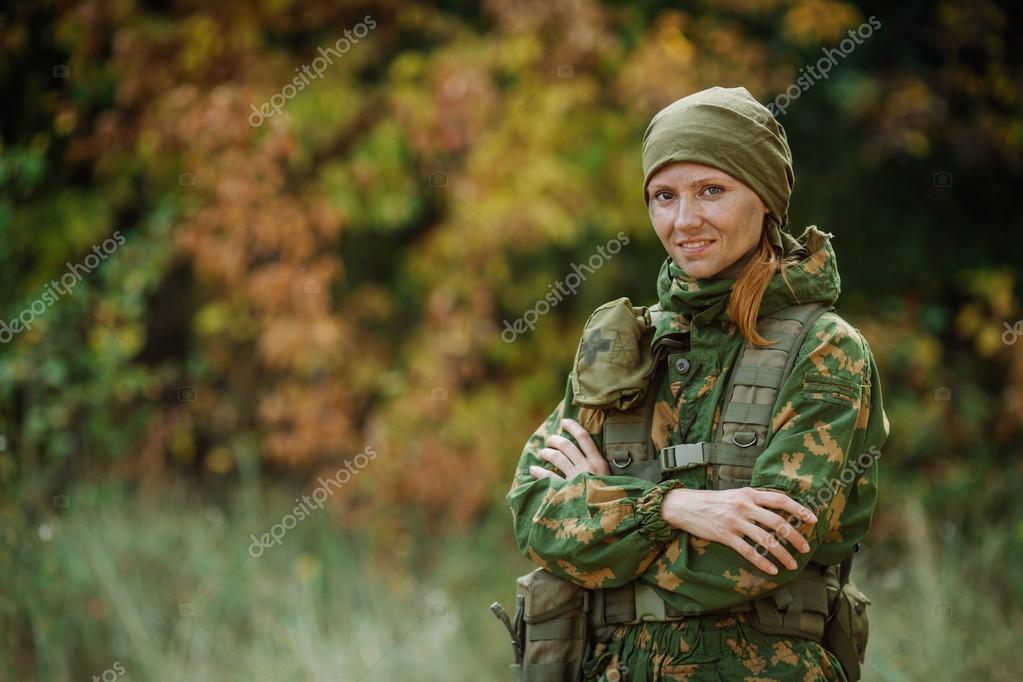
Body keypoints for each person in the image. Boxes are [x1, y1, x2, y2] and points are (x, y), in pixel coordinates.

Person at [505, 86, 889, 681]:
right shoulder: (624, 348)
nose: (684, 221)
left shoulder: (826, 350)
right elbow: (535, 514)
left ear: (765, 198)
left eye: (712, 190)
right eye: (664, 196)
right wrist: (674, 508)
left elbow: (764, 553)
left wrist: (602, 508)